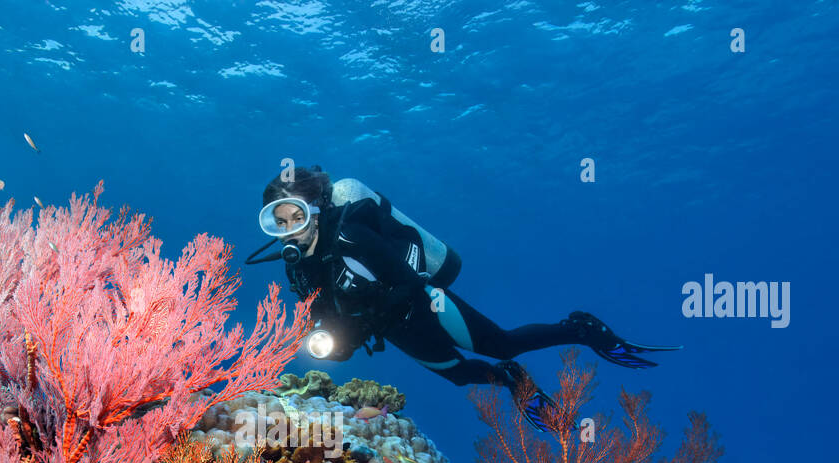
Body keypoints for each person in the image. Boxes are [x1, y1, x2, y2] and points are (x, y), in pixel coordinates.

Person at [246, 165, 680, 430]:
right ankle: (511, 379)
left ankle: (580, 328)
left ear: (315, 209)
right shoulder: (299, 267)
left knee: (503, 342)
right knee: (459, 375)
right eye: (277, 221)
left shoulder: (351, 233)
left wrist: (369, 317)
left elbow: (407, 282)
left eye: (295, 215)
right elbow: (329, 324)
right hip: (393, 331)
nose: (289, 228)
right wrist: (330, 341)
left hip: (425, 305)